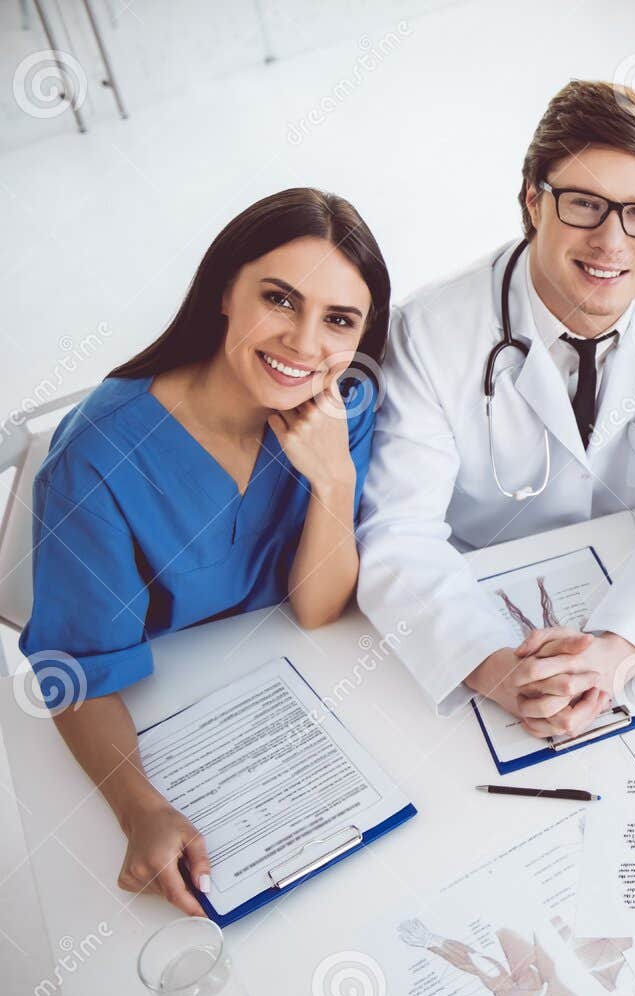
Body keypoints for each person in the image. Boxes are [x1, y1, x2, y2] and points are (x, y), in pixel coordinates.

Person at [20, 187, 390, 914]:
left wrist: (333, 479)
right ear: (224, 291)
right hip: (164, 713)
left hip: (299, 698)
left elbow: (319, 609)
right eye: (279, 300)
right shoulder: (99, 456)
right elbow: (78, 670)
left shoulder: (342, 405)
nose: (304, 344)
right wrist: (139, 809)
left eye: (339, 320)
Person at [355, 81, 635, 741]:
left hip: (631, 576)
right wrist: (496, 667)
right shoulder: (431, 329)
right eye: (585, 204)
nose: (612, 241)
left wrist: (620, 650)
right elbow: (398, 531)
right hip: (486, 592)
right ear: (533, 200)